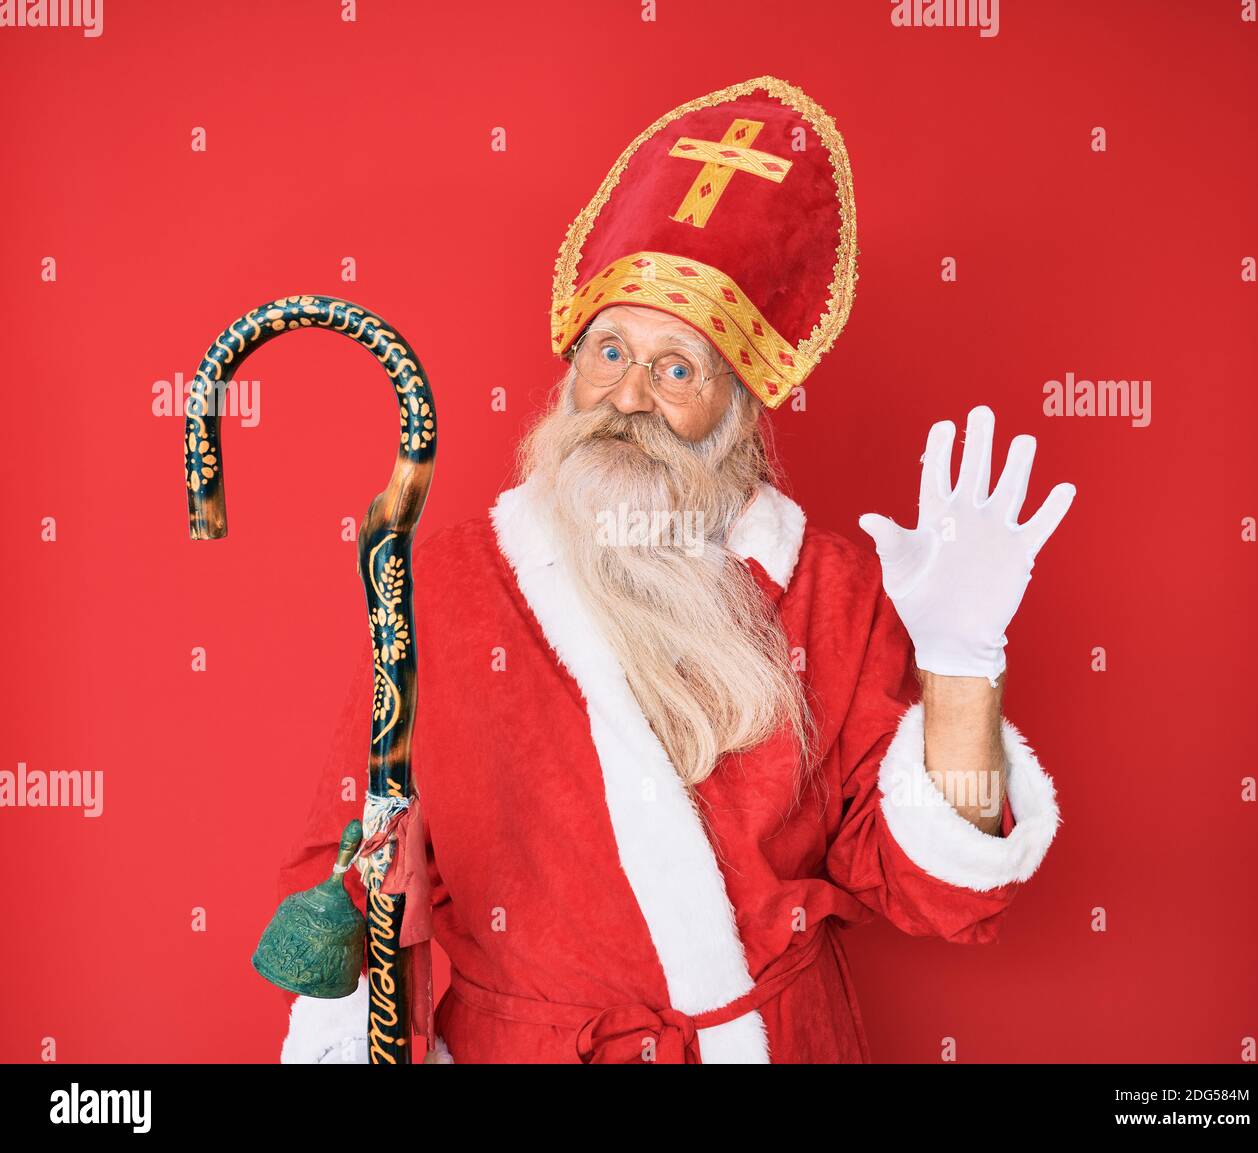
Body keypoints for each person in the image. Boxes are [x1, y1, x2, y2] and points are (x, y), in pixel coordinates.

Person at [276, 75, 1072, 1064]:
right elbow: (348, 857)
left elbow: (941, 893)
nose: (628, 396)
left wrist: (960, 663)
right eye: (607, 350)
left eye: (676, 366)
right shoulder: (446, 585)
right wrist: (347, 978)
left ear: (735, 418)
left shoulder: (828, 589)